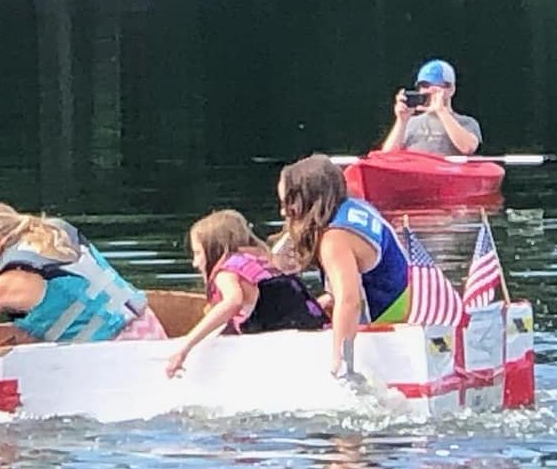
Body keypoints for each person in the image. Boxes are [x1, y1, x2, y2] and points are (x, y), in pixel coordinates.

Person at [0, 202, 166, 404]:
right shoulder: (56, 232)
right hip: (151, 333)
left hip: (120, 360)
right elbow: (66, 315)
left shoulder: (6, 284)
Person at [276, 154, 413, 377]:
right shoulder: (354, 207)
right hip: (411, 300)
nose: (283, 212)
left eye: (288, 203)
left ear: (309, 197)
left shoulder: (334, 239)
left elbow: (349, 301)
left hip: (390, 321)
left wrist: (338, 359)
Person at [163, 210, 327, 378]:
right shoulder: (265, 259)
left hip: (290, 346)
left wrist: (186, 346)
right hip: (318, 329)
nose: (195, 263)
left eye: (198, 253)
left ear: (215, 249)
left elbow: (233, 302)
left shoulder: (227, 272)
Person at [380, 58, 481, 155]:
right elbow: (387, 156)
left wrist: (442, 111)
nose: (430, 91)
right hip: (416, 166)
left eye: (438, 86)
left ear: (451, 89)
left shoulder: (466, 122)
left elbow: (468, 148)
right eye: (425, 85)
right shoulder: (410, 123)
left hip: (446, 167)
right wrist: (401, 121)